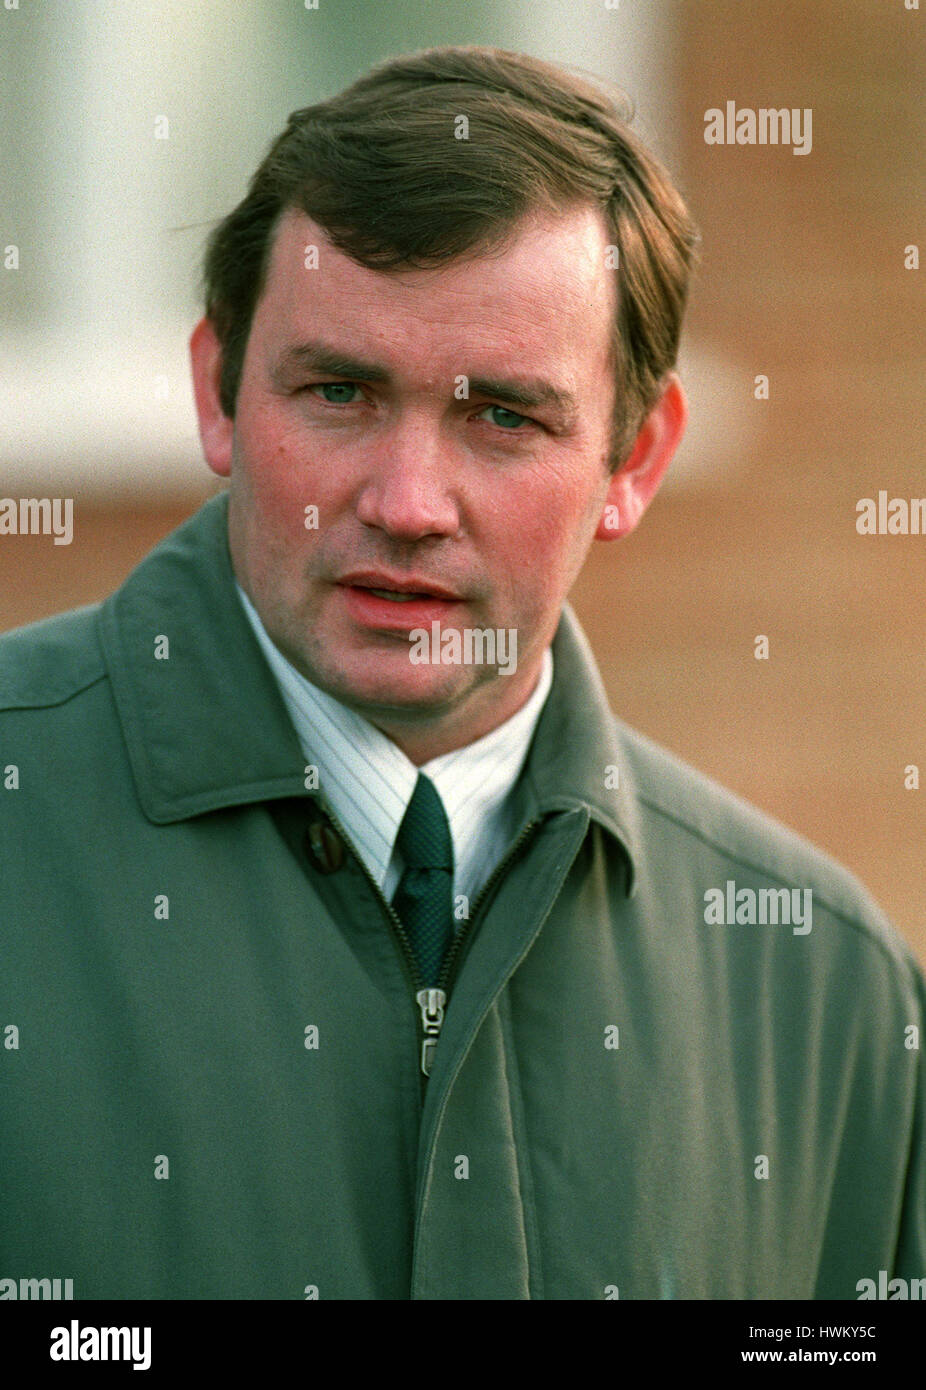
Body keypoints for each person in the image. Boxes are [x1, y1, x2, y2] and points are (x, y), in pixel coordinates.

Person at [0, 45, 922, 1303]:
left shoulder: (828, 1000)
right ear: (218, 392)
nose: (405, 503)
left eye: (502, 416)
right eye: (337, 390)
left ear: (634, 458)